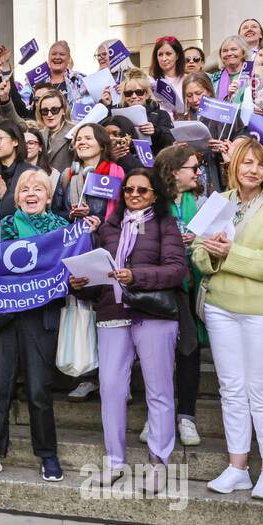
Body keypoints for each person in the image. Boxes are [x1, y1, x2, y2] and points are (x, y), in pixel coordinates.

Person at [71, 168, 187, 490]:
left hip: (153, 314)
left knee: (159, 389)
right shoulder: (109, 227)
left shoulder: (165, 224)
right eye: (129, 191)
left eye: (143, 191)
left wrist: (136, 276)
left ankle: (159, 464)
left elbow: (177, 271)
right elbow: (100, 277)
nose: (134, 195)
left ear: (155, 194)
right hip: (112, 312)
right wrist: (81, 284)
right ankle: (114, 461)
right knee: (110, 389)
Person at [194, 137, 263, 500]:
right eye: (245, 163)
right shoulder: (219, 201)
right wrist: (213, 256)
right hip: (221, 307)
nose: (252, 169)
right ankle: (237, 466)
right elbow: (197, 249)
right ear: (232, 166)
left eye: (260, 164)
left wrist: (231, 254)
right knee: (231, 389)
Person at [0, 170, 85, 482]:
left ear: (49, 197)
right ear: (16, 197)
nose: (30, 194)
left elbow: (77, 269)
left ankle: (48, 455)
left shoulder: (64, 231)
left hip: (40, 318)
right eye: (24, 190)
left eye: (38, 189)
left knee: (38, 390)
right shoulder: (1, 227)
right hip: (4, 317)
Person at [154, 143, 206, 448]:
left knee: (189, 351)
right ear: (175, 172)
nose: (198, 173)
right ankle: (156, 415)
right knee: (156, 355)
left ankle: (186, 416)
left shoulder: (198, 202)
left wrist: (198, 238)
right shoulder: (151, 202)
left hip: (190, 286)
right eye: (193, 168)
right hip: (160, 287)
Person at [150, 36, 186, 115]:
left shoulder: (187, 79)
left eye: (168, 54)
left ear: (177, 56)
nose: (164, 58)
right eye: (160, 55)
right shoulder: (150, 81)